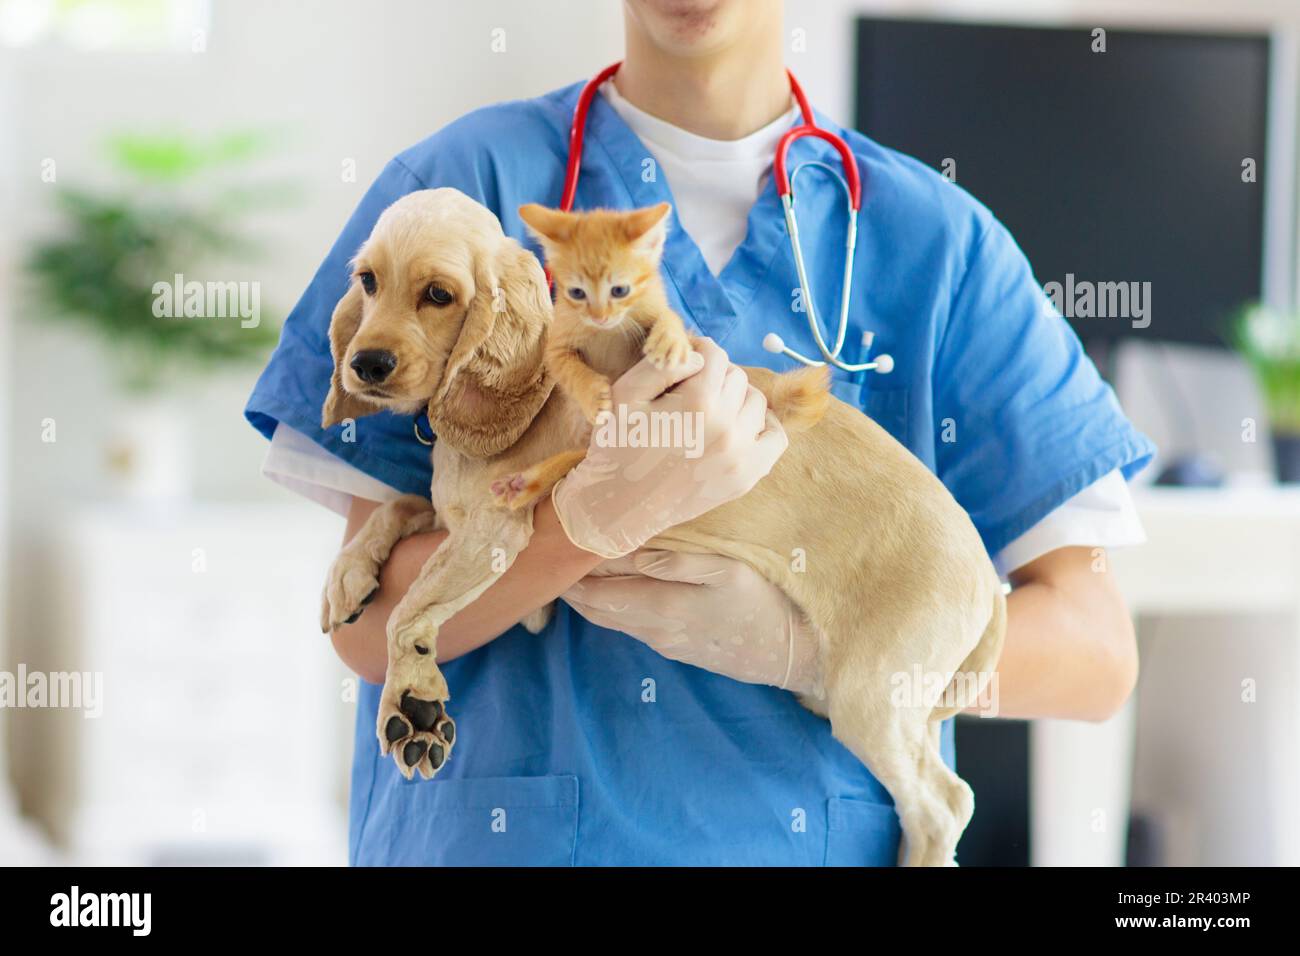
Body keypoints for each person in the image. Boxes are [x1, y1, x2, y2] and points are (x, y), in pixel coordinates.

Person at [246, 0, 1153, 865]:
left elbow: (1096, 655)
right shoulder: (465, 194)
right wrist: (577, 531)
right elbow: (367, 634)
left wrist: (821, 653)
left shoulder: (939, 246)